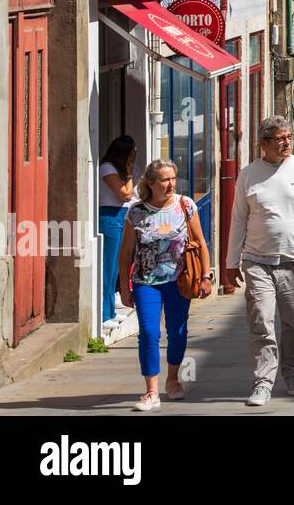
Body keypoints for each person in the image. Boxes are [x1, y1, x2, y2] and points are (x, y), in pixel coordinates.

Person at [226, 116, 294, 408]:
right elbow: (238, 219)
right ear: (263, 143)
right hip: (257, 259)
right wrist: (231, 261)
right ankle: (262, 381)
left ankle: (292, 371)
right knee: (261, 319)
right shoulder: (248, 175)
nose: (286, 142)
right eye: (280, 138)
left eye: (288, 137)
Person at [118, 159, 212, 410]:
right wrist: (125, 288)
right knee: (149, 333)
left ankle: (173, 379)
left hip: (179, 280)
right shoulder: (136, 211)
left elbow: (201, 243)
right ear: (151, 183)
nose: (171, 184)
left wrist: (206, 277)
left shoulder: (185, 205)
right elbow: (126, 252)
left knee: (177, 332)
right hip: (145, 281)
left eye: (173, 178)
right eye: (164, 180)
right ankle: (151, 392)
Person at [98, 135, 137, 328]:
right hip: (110, 216)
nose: (132, 161)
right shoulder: (107, 168)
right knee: (109, 266)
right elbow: (125, 194)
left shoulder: (116, 169)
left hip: (121, 215)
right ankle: (104, 314)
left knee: (117, 265)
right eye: (130, 157)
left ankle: (111, 309)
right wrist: (129, 174)